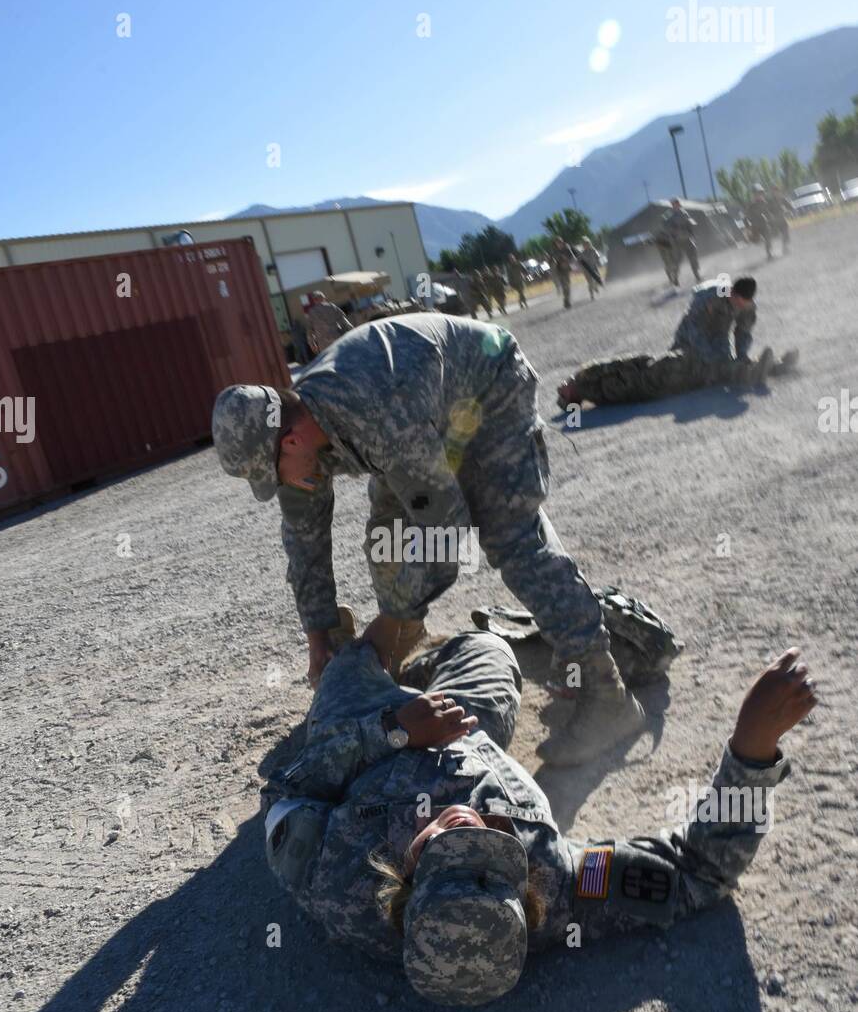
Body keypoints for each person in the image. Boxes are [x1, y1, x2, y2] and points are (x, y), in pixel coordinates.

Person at [261, 631, 816, 1006]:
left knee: (349, 662)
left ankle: (377, 649)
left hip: (374, 737)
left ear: (400, 885)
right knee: (490, 650)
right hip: (466, 731)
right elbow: (697, 875)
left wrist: (394, 729)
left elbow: (286, 788)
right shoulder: (552, 882)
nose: (464, 820)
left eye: (438, 844)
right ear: (525, 891)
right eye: (490, 841)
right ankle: (423, 657)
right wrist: (753, 748)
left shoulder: (334, 876)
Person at [212, 313, 645, 767]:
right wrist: (318, 631)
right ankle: (399, 654)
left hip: (487, 386)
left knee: (509, 534)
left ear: (293, 441)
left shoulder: (377, 411)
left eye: (272, 474)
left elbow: (445, 532)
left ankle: (605, 693)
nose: (279, 485)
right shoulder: (303, 435)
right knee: (389, 539)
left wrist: (390, 618)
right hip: (423, 415)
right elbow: (304, 537)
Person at [557, 277, 798, 408]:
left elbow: (743, 333)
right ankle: (761, 369)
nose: (739, 306)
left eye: (743, 304)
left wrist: (741, 354)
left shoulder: (747, 306)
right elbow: (693, 329)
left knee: (711, 369)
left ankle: (765, 368)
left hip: (691, 364)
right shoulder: (712, 295)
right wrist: (715, 356)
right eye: (736, 300)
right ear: (731, 292)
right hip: (690, 341)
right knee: (677, 368)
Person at [662, 198, 702, 284]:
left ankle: (697, 275)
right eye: (674, 204)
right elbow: (665, 226)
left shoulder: (684, 212)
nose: (676, 205)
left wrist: (691, 231)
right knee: (677, 261)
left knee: (693, 256)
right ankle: (675, 278)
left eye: (677, 204)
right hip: (677, 241)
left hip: (687, 238)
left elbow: (690, 223)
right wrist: (673, 231)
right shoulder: (668, 214)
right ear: (672, 205)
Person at [305, 292, 353, 356]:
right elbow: (344, 321)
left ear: (314, 300)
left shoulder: (311, 312)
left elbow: (309, 331)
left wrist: (312, 344)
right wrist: (352, 330)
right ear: (323, 298)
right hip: (337, 337)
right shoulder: (332, 306)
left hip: (323, 344)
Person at [746, 189, 773, 261]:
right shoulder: (751, 205)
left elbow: (767, 212)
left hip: (763, 223)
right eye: (758, 194)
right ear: (755, 196)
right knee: (756, 240)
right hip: (755, 225)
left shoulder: (764, 203)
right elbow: (747, 216)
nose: (760, 196)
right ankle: (759, 243)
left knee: (768, 238)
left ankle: (769, 253)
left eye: (761, 194)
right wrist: (748, 227)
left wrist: (770, 218)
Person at [764, 186, 791, 255]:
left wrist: (790, 211)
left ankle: (785, 248)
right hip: (773, 222)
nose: (776, 193)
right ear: (773, 193)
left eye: (777, 191)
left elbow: (789, 206)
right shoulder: (770, 201)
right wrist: (770, 217)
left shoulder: (782, 199)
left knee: (786, 232)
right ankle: (769, 252)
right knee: (772, 236)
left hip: (781, 219)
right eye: (774, 192)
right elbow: (767, 211)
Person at [551, 239, 573, 308]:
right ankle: (566, 300)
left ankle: (567, 299)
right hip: (559, 271)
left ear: (562, 243)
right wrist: (557, 259)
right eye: (557, 243)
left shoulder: (567, 249)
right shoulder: (555, 251)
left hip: (566, 270)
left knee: (567, 286)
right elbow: (553, 260)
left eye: (559, 242)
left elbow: (571, 257)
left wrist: (566, 259)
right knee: (564, 286)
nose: (558, 244)